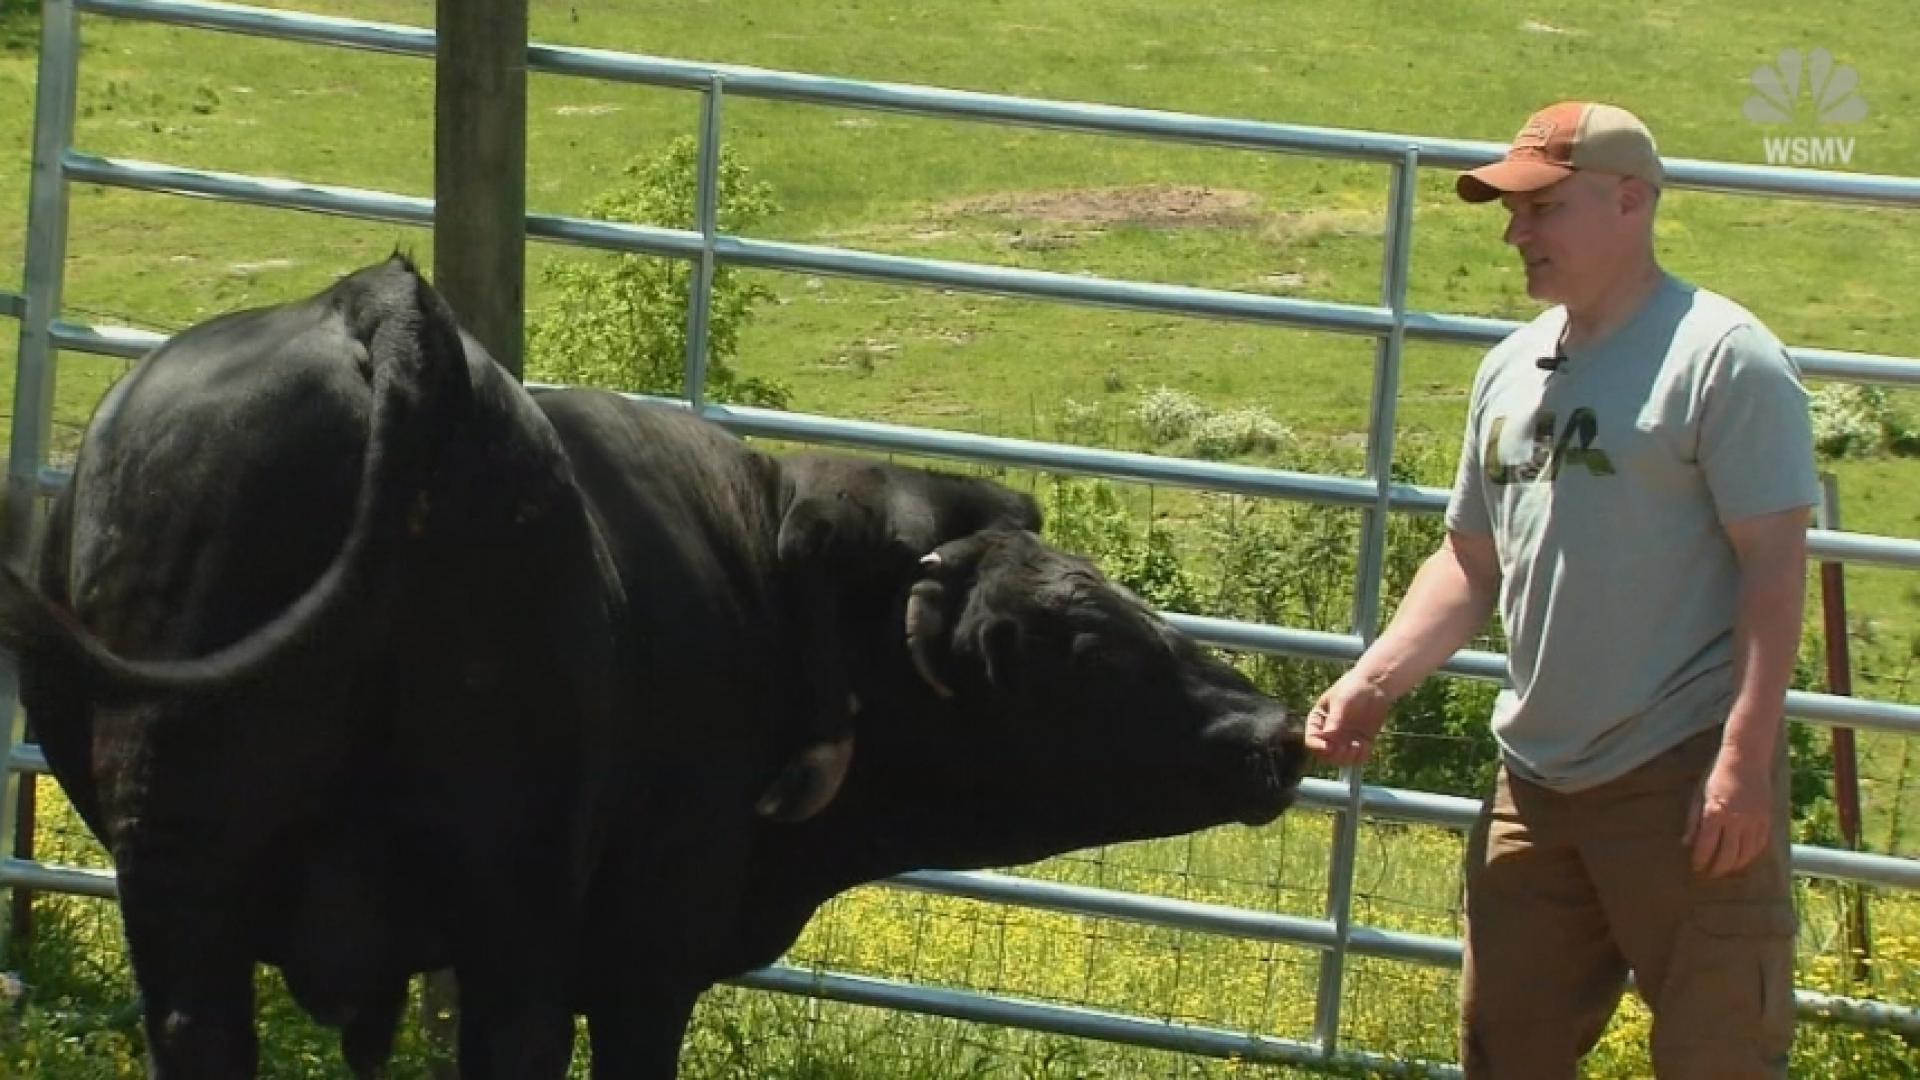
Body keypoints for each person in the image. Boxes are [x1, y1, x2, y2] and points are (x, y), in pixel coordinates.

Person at [1305, 101, 1817, 1078]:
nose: (1517, 232)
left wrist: (1742, 762)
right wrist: (1374, 680)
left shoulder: (1723, 357)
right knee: (1505, 1051)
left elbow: (1773, 565)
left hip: (1683, 770)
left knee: (1718, 1056)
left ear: (1631, 201)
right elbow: (1470, 560)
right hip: (1533, 778)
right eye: (1513, 209)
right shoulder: (1510, 367)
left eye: (1543, 207)